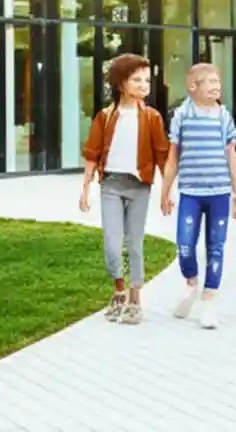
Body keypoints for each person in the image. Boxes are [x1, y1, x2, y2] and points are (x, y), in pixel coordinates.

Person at [79, 53, 170, 326]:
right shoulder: (105, 117)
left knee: (135, 242)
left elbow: (162, 155)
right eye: (136, 79)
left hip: (140, 186)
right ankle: (118, 289)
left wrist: (167, 191)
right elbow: (92, 154)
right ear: (121, 84)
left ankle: (135, 297)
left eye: (147, 80)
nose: (144, 85)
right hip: (111, 185)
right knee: (112, 242)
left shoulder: (153, 117)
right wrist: (85, 189)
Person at [159, 63, 236, 330]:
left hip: (219, 193)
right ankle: (191, 283)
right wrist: (165, 190)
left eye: (218, 81)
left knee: (216, 248)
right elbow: (173, 156)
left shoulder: (223, 117)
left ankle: (208, 301)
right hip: (191, 194)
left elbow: (232, 155)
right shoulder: (183, 115)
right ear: (192, 87)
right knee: (184, 244)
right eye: (209, 82)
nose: (216, 86)